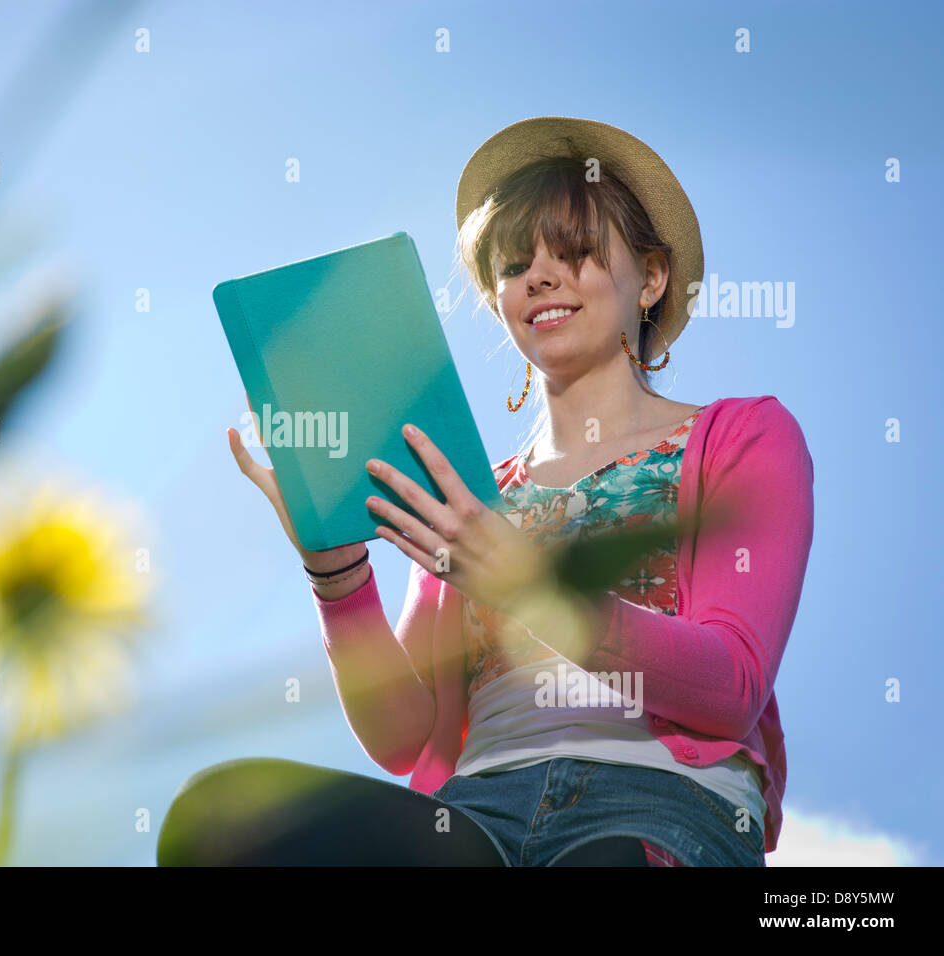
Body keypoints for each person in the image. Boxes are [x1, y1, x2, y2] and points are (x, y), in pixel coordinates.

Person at [158, 117, 815, 867]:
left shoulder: (743, 438)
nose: (538, 277)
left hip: (660, 810)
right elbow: (405, 735)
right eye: (512, 264)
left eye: (574, 251)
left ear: (654, 278)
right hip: (475, 817)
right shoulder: (468, 495)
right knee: (219, 821)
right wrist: (337, 576)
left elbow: (731, 685)